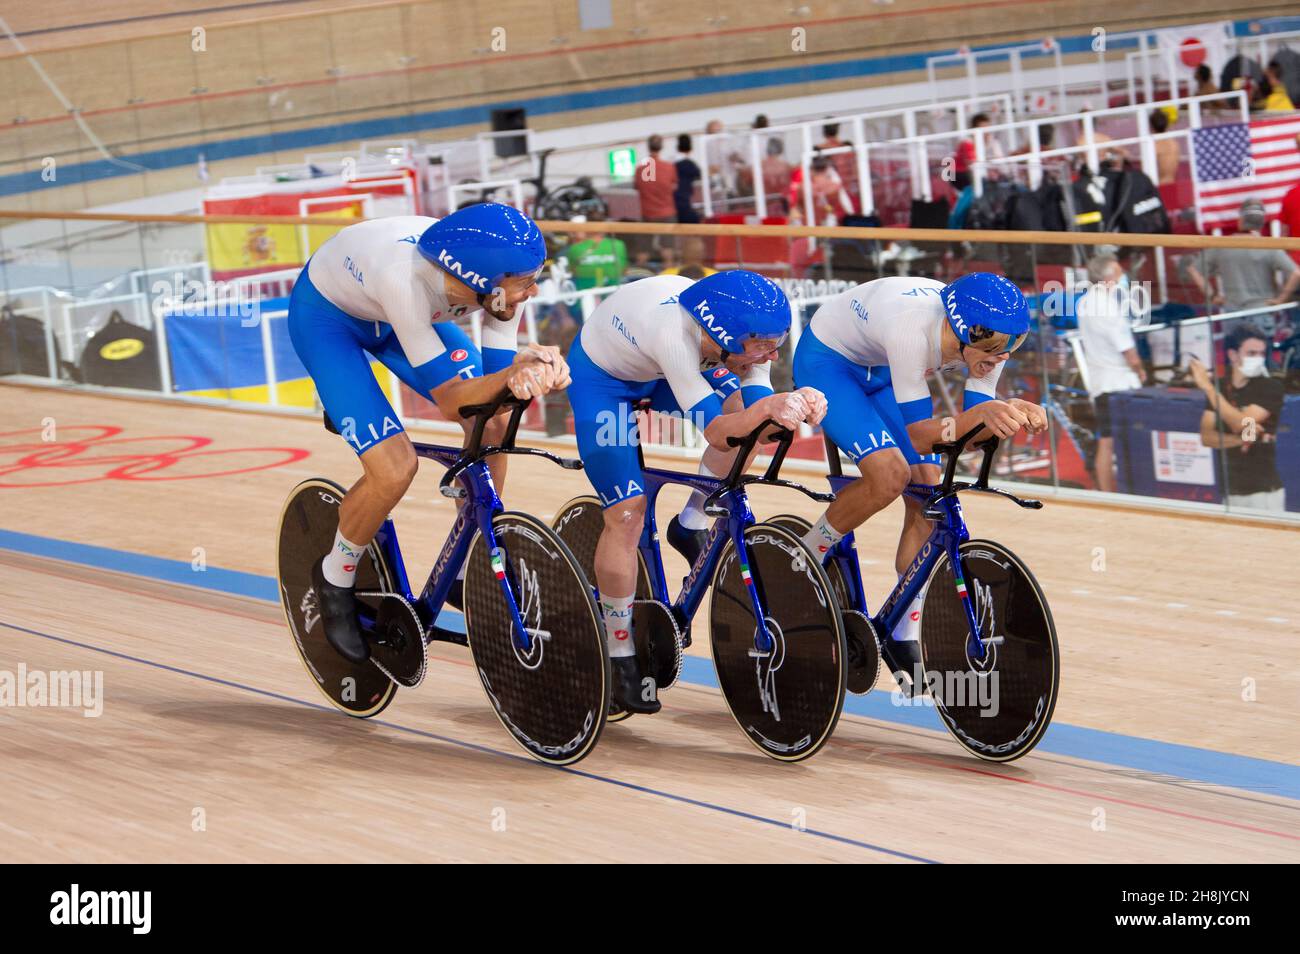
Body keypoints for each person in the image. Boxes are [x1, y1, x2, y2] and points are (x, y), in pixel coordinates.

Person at [287, 203, 569, 663]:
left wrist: (531, 371)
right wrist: (514, 371)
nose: (532, 291)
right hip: (329, 321)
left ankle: (467, 559)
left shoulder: (498, 287)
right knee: (395, 468)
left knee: (493, 426)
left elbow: (490, 401)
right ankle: (334, 577)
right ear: (485, 283)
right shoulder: (406, 280)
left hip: (401, 318)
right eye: (524, 281)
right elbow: (452, 399)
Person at [566, 270, 826, 712]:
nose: (770, 353)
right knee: (627, 513)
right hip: (604, 383)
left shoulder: (747, 331)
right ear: (722, 334)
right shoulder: (673, 331)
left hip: (664, 373)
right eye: (762, 346)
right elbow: (719, 433)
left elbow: (753, 419)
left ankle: (691, 522)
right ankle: (619, 650)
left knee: (747, 420)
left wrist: (792, 405)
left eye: (775, 342)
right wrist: (767, 408)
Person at [791, 272, 1048, 692]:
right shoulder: (914, 329)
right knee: (890, 474)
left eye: (1014, 344)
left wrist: (1007, 411)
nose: (1002, 355)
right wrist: (978, 417)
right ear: (966, 331)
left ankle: (901, 630)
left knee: (928, 487)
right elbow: (917, 436)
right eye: (996, 346)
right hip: (830, 363)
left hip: (881, 369)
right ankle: (808, 551)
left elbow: (966, 436)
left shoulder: (987, 342)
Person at [1190, 324, 1287, 511]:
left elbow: (1241, 425)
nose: (1258, 359)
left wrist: (1208, 388)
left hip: (1263, 492)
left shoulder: (1270, 387)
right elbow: (1207, 438)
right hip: (1230, 490)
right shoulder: (1221, 389)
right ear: (1233, 355)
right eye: (1251, 353)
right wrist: (1241, 439)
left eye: (1261, 354)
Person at [1076, 254, 1147, 492]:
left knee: (1105, 441)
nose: (1122, 278)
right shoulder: (1108, 307)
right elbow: (1128, 351)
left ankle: (1108, 493)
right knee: (1128, 441)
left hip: (1100, 381)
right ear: (1108, 278)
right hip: (1118, 384)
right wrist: (1140, 370)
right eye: (1118, 275)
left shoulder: (1086, 301)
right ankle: (1129, 490)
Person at [1187, 199, 1300, 329]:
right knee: (1261, 349)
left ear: (1240, 220)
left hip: (1232, 312)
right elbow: (1296, 272)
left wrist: (1212, 296)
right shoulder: (1269, 246)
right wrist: (1282, 299)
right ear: (1261, 222)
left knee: (1234, 348)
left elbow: (1193, 270)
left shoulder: (1222, 245)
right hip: (1261, 310)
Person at [560, 215, 628, 289]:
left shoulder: (575, 248)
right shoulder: (618, 245)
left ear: (587, 228)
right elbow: (624, 270)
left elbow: (573, 272)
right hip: (614, 291)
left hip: (585, 294)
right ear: (604, 227)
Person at [634, 134, 678, 224]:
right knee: (668, 238)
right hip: (667, 213)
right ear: (662, 147)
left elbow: (637, 187)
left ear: (648, 147)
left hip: (647, 213)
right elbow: (674, 186)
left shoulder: (640, 170)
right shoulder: (669, 167)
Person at [674, 134, 702, 224]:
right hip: (684, 201)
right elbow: (700, 175)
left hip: (673, 202)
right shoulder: (690, 164)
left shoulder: (671, 163)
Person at [1149, 109, 1181, 185]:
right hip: (1172, 183)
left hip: (1159, 185)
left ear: (1151, 127)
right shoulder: (1174, 143)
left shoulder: (1154, 146)